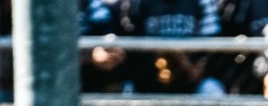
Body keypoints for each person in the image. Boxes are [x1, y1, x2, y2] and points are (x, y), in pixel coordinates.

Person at [82, 0, 227, 95]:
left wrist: (196, 66)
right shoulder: (135, 3)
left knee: (211, 89)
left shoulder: (202, 2)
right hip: (146, 79)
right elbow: (127, 42)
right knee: (125, 89)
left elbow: (213, 45)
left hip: (190, 78)